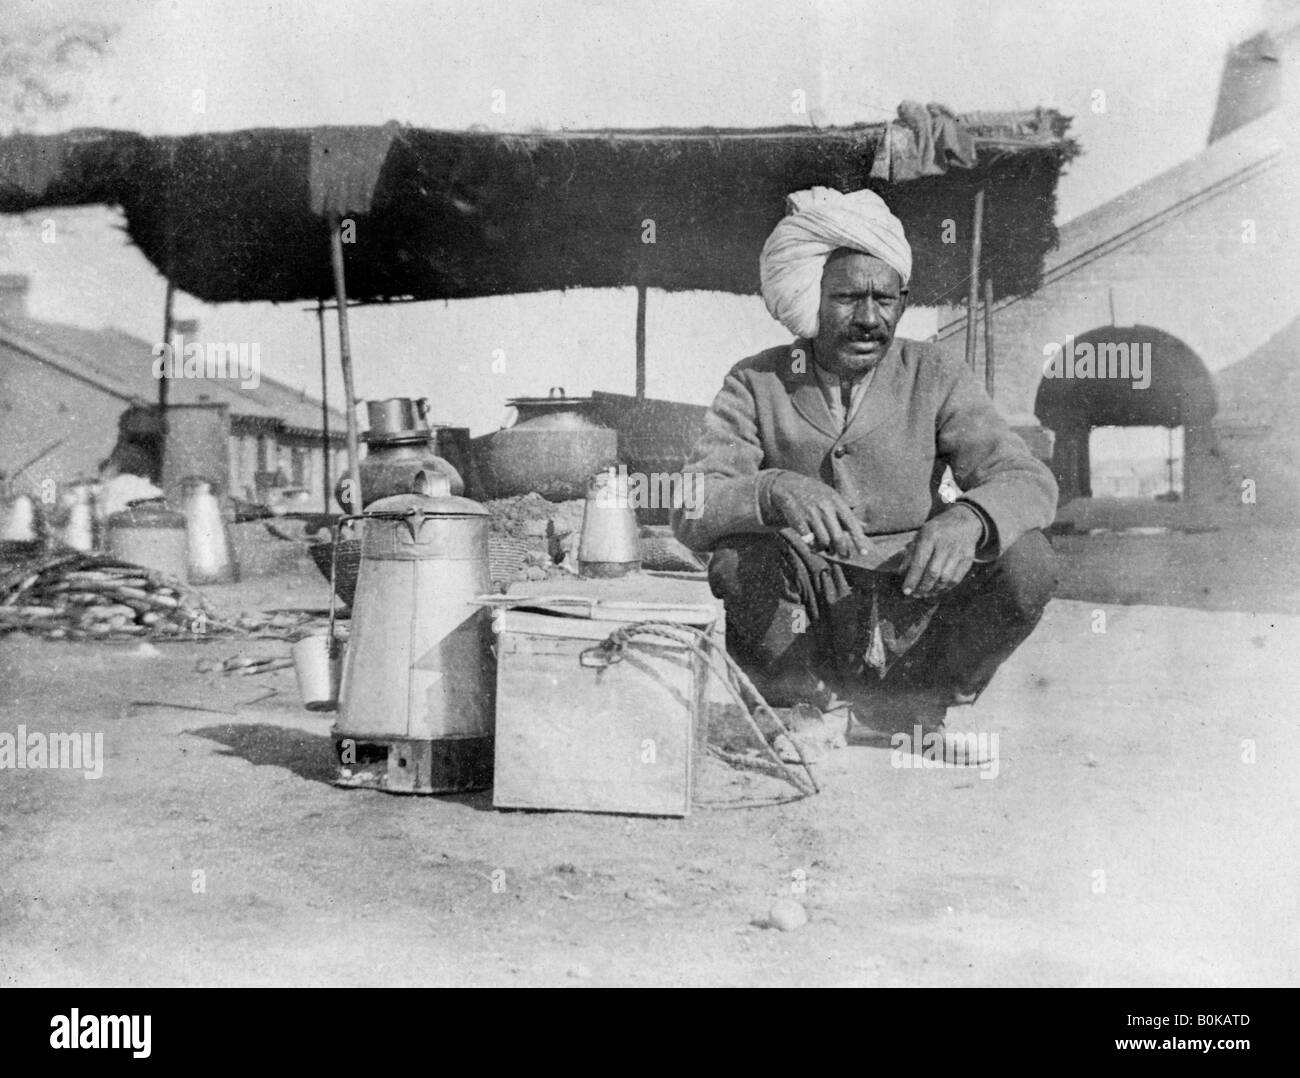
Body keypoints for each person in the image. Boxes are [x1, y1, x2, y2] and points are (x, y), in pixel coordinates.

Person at [672, 186, 1058, 738]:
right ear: (812, 298)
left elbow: (1024, 478)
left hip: (919, 596)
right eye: (848, 298)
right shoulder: (756, 381)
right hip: (809, 608)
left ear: (903, 301)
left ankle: (917, 704)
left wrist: (967, 519)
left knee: (1028, 560)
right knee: (738, 560)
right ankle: (795, 707)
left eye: (885, 299)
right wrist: (774, 489)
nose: (869, 319)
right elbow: (691, 502)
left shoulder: (934, 372)